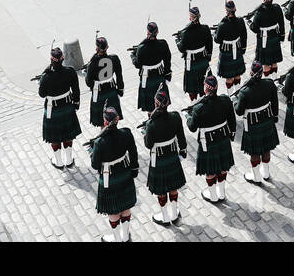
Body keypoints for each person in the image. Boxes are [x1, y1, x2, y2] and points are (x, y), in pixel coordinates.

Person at [90, 105, 138, 240]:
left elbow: (95, 165)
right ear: (117, 120)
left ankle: (117, 238)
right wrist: (134, 170)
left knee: (113, 210)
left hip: (108, 177)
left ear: (105, 122)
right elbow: (133, 153)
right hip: (125, 172)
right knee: (125, 205)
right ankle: (125, 236)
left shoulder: (99, 142)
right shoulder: (126, 133)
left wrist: (92, 153)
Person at [187, 73, 236, 203]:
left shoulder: (199, 108)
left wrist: (188, 117)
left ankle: (214, 195)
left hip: (207, 141)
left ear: (206, 89)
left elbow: (192, 127)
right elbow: (232, 120)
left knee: (210, 170)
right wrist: (232, 134)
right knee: (222, 166)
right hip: (223, 137)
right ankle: (222, 192)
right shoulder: (225, 100)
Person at [144, 85, 188, 225]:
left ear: (156, 104)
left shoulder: (151, 124)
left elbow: (148, 144)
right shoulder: (175, 117)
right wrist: (183, 151)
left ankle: (165, 216)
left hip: (159, 158)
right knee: (173, 186)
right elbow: (181, 137)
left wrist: (146, 130)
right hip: (172, 156)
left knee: (161, 190)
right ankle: (174, 214)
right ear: (167, 103)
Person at [236, 62, 280, 183]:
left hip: (252, 124)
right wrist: (275, 116)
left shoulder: (245, 91)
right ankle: (265, 173)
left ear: (251, 72)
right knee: (266, 148)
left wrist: (236, 102)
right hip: (267, 120)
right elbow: (275, 102)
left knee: (254, 152)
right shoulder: (269, 84)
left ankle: (256, 176)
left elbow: (239, 112)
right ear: (261, 73)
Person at [38, 46, 81, 169]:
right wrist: (76, 103)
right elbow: (76, 90)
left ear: (51, 60)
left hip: (53, 109)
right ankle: (69, 160)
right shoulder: (70, 71)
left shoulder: (46, 77)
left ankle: (59, 162)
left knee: (54, 137)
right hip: (67, 106)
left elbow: (42, 94)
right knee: (68, 135)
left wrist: (42, 78)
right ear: (63, 59)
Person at [85, 36, 124, 127]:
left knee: (103, 122)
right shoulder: (114, 59)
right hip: (111, 91)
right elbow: (119, 76)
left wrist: (87, 72)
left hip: (99, 94)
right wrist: (120, 89)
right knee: (113, 118)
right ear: (107, 47)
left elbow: (89, 83)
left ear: (96, 48)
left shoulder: (92, 64)